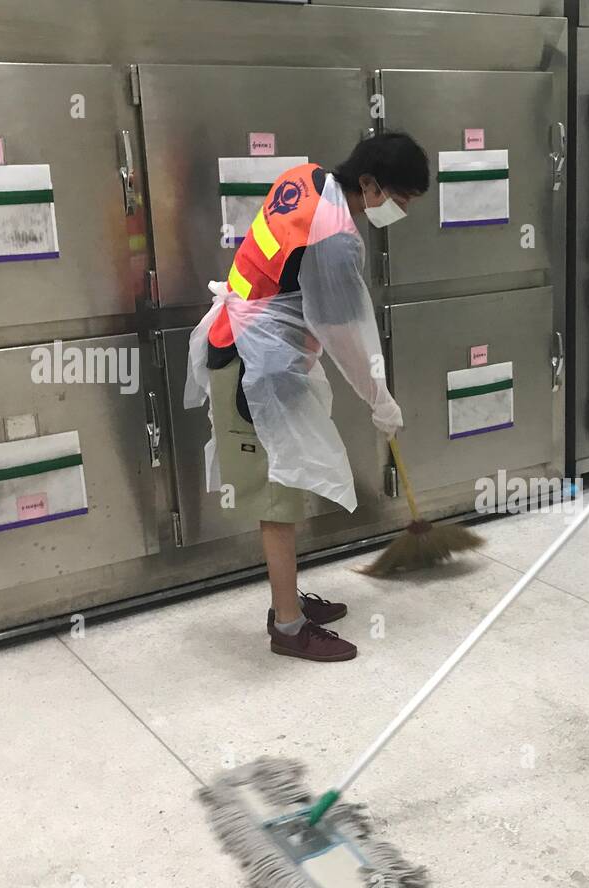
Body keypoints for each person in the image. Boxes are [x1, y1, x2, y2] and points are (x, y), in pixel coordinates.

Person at [183, 133, 429, 662]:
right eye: (400, 200)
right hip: (257, 363)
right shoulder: (336, 236)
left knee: (286, 484)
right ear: (369, 184)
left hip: (256, 343)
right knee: (280, 495)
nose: (401, 212)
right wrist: (378, 398)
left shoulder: (308, 178)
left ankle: (286, 599)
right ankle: (288, 628)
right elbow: (344, 331)